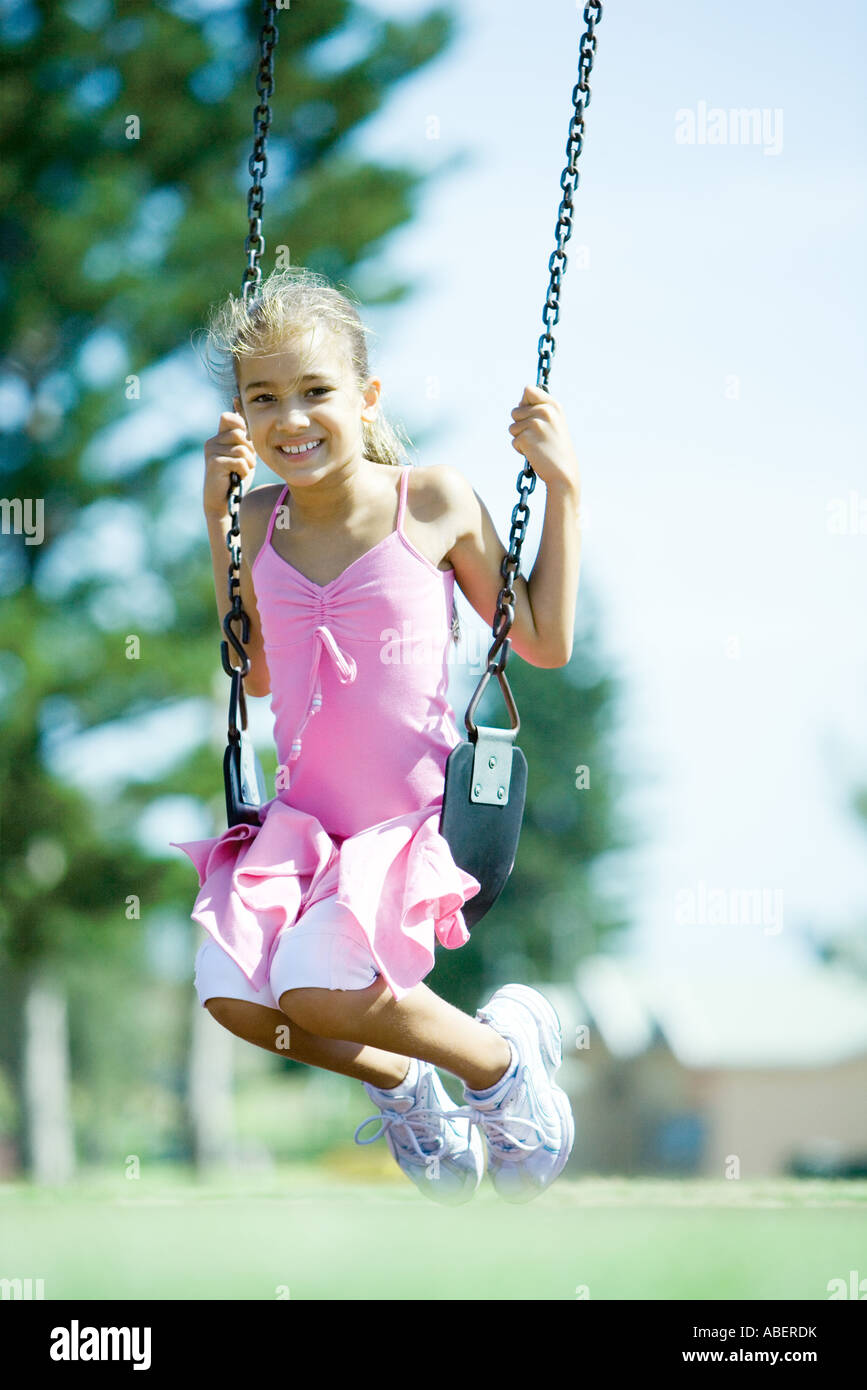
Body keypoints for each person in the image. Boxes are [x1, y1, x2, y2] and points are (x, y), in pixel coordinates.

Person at [170, 266, 582, 1205]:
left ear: (365, 396)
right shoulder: (256, 518)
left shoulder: (428, 500)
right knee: (230, 989)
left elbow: (544, 640)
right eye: (262, 398)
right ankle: (408, 1082)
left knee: (314, 982)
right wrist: (214, 522)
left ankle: (500, 1061)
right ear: (240, 414)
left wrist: (560, 487)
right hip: (307, 830)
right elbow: (259, 674)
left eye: (315, 391)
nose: (292, 419)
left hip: (412, 821)